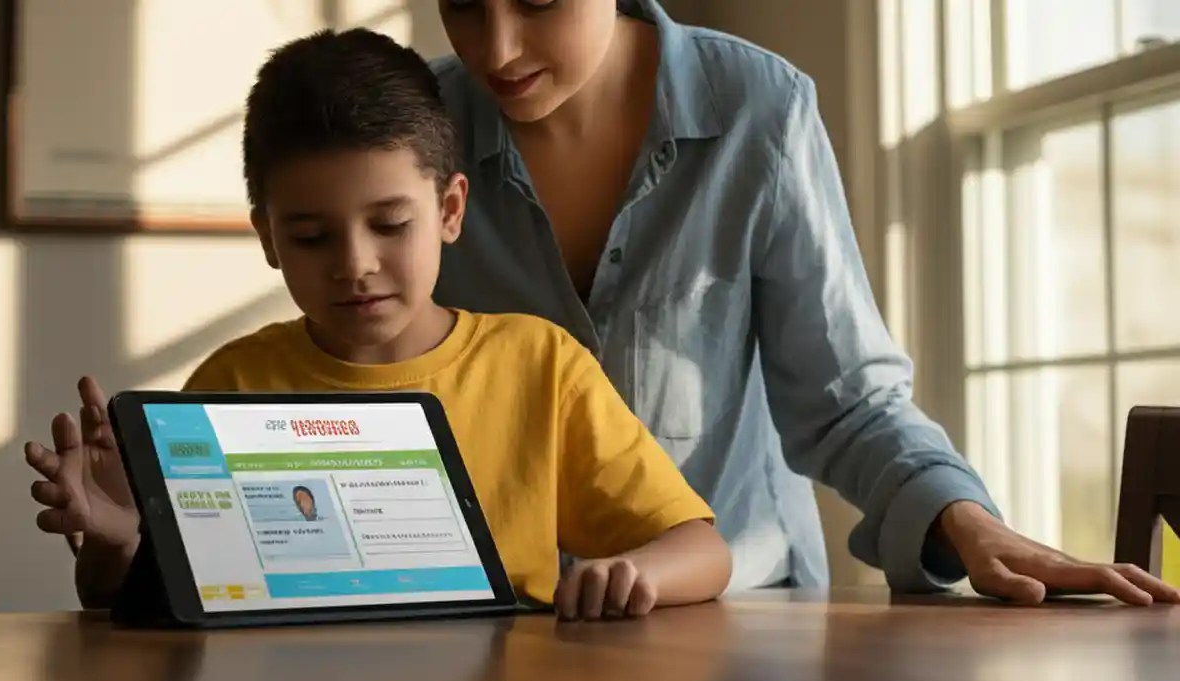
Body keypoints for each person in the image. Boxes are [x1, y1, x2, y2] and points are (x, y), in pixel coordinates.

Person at [429, 0, 1179, 605]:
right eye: (462, 3)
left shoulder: (761, 109)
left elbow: (846, 403)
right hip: (502, 625)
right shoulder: (421, 129)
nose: (495, 48)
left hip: (743, 622)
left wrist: (970, 523)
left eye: (537, 1)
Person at [23, 28, 732, 621]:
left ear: (450, 211)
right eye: (309, 236)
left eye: (390, 224)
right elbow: (135, 608)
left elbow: (701, 550)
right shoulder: (231, 386)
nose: (355, 265)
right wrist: (120, 545)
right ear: (268, 238)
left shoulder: (540, 368)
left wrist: (639, 577)